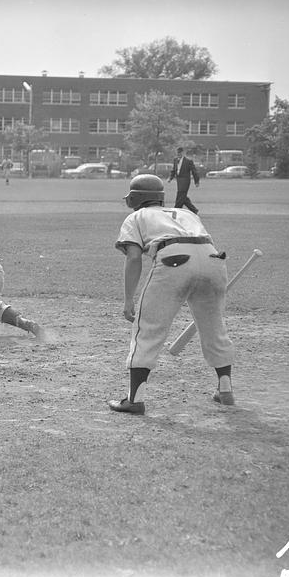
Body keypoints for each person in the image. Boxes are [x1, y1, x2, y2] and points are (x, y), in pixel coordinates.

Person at [108, 174, 234, 415]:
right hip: (213, 260)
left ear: (134, 198)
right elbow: (200, 244)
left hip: (173, 259)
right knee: (213, 326)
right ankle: (225, 388)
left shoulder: (136, 216)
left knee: (148, 327)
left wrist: (128, 299)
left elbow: (134, 257)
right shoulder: (187, 213)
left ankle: (134, 399)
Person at [167, 147, 200, 214]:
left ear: (183, 153)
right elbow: (174, 170)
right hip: (179, 180)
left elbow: (194, 171)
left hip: (185, 180)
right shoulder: (175, 160)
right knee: (183, 196)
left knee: (180, 193)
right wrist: (170, 178)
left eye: (180, 152)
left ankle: (176, 209)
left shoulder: (188, 161)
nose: (178, 154)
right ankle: (194, 210)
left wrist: (196, 181)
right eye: (177, 153)